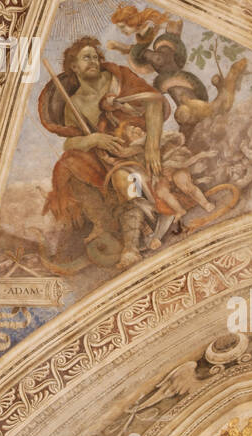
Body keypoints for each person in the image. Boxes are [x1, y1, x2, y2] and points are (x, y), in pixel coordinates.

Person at [38, 36, 168, 267]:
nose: (94, 61)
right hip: (106, 158)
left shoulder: (117, 80)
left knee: (126, 180)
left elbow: (154, 102)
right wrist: (93, 138)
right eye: (86, 58)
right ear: (74, 67)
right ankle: (104, 223)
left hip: (136, 146)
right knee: (70, 166)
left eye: (95, 57)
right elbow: (71, 144)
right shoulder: (74, 104)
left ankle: (134, 243)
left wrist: (151, 147)